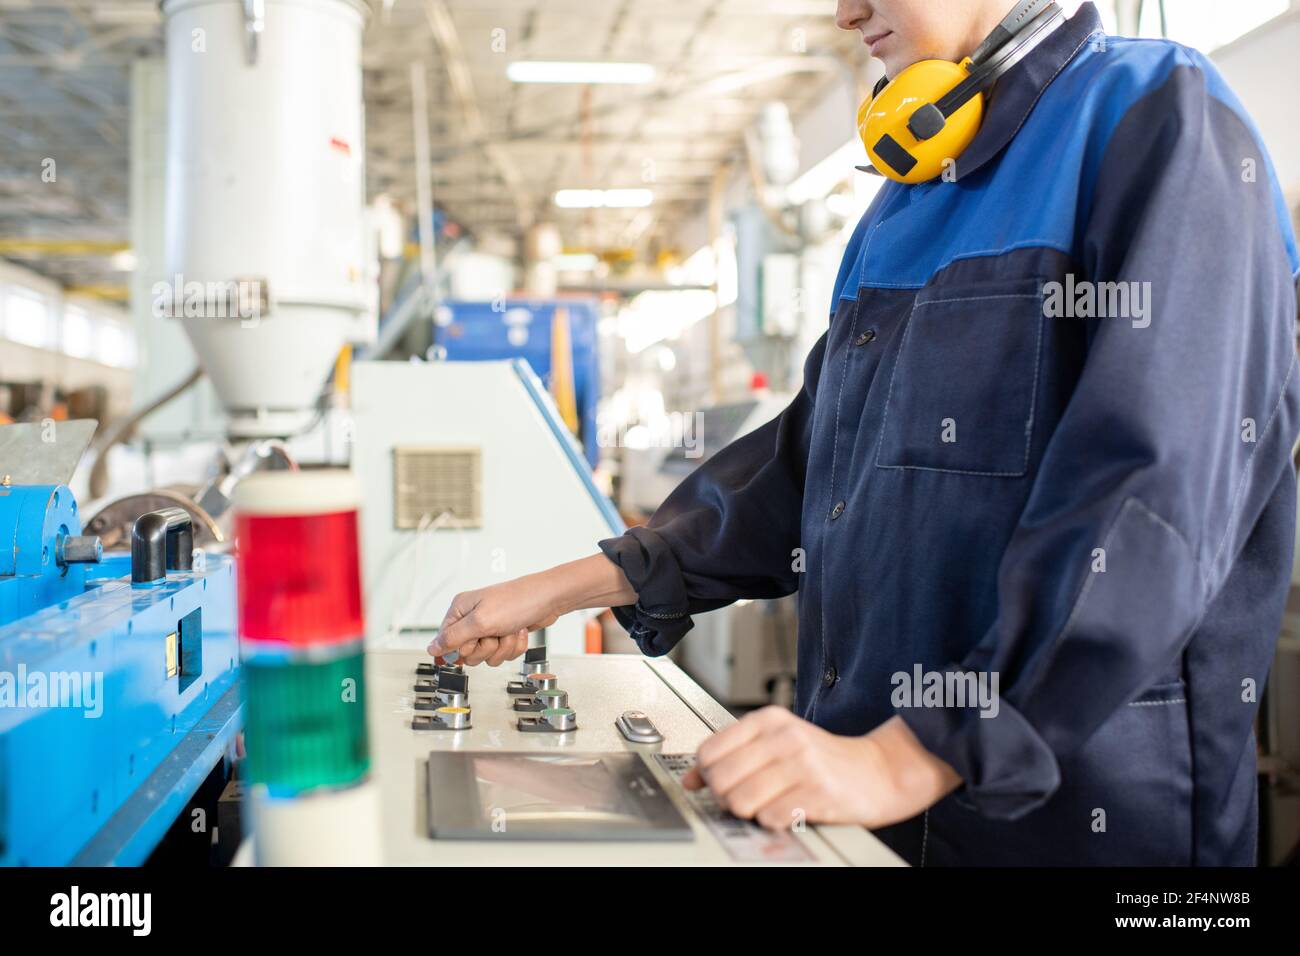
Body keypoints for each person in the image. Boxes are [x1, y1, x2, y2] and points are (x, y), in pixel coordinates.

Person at [430, 0, 1300, 865]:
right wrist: (585, 580)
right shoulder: (905, 200)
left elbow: (1155, 492)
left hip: (1074, 825)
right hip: (860, 809)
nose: (846, 14)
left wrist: (919, 751)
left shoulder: (1156, 115)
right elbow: (811, 466)